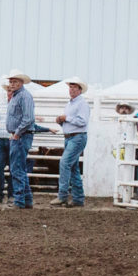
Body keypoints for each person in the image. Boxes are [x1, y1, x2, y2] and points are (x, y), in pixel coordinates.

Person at [50, 77, 90, 208]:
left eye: (74, 87)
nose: (71, 89)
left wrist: (66, 118)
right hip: (71, 136)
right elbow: (76, 121)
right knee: (73, 168)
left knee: (65, 163)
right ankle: (78, 198)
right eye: (70, 87)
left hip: (76, 137)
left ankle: (62, 196)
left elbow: (82, 121)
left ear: (79, 90)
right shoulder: (71, 104)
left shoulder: (81, 104)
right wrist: (62, 121)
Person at [5, 69, 36, 210]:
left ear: (21, 82)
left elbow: (28, 118)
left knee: (17, 168)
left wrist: (17, 133)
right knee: (20, 168)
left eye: (15, 81)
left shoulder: (23, 96)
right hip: (20, 135)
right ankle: (27, 199)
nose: (12, 84)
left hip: (21, 136)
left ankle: (19, 200)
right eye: (11, 81)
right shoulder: (18, 96)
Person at [115, 101, 138, 199]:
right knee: (127, 169)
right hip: (127, 147)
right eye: (122, 108)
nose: (124, 110)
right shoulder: (119, 121)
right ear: (119, 110)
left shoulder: (133, 120)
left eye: (126, 108)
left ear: (129, 110)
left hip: (136, 146)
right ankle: (127, 192)